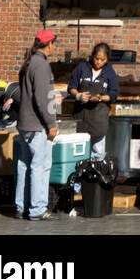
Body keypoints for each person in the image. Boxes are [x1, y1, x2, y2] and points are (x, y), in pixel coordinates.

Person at [15, 30, 59, 221]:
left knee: (24, 165)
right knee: (39, 166)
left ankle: (21, 206)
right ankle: (37, 208)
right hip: (36, 125)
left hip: (24, 123)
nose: (54, 47)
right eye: (53, 43)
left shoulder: (29, 62)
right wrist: (51, 123)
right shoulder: (41, 65)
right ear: (48, 45)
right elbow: (43, 98)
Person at [67, 43, 119, 158]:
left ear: (107, 59)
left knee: (97, 152)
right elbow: (71, 87)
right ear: (92, 56)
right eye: (96, 58)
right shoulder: (82, 68)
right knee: (79, 152)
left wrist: (100, 98)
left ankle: (95, 173)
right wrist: (79, 95)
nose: (98, 62)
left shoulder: (110, 73)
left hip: (99, 119)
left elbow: (114, 95)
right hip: (81, 117)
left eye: (102, 59)